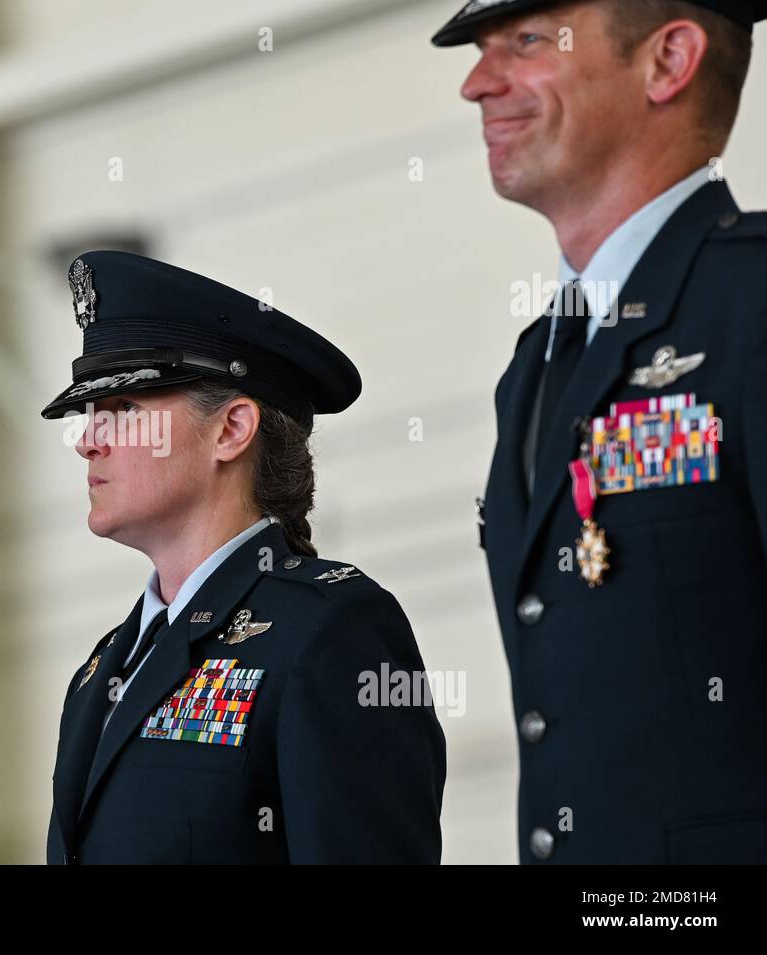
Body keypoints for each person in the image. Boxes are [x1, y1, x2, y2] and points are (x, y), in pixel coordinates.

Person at [433, 0, 767, 862]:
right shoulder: (537, 365)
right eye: (480, 51)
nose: (478, 83)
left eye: (528, 41)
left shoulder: (754, 304)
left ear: (668, 62)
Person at [39, 250, 446, 864]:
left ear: (231, 429)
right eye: (90, 414)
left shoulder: (332, 632)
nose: (88, 441)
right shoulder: (104, 668)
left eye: (124, 410)